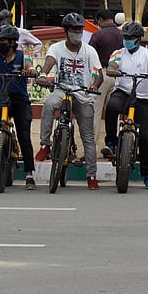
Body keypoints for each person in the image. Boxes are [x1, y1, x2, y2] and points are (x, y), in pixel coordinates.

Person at [36, 13, 103, 189]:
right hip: (62, 90)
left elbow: (98, 74)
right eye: (73, 30)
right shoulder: (56, 48)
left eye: (79, 30)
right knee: (49, 104)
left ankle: (91, 175)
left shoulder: (90, 51)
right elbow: (49, 62)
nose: (77, 33)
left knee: (88, 136)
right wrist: (43, 75)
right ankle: (45, 145)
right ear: (66, 31)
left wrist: (94, 85)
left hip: (83, 94)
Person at [103, 20, 148, 189]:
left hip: (143, 96)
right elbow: (112, 65)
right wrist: (112, 70)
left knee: (144, 136)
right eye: (125, 37)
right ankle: (111, 141)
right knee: (111, 107)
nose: (126, 40)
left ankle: (147, 175)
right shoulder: (118, 53)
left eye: (130, 37)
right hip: (122, 92)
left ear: (138, 39)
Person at [0, 24, 38, 190]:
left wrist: (31, 70)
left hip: (20, 99)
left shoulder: (22, 55)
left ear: (12, 42)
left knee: (24, 136)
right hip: (1, 97)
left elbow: (29, 64)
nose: (0, 43)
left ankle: (29, 174)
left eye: (3, 40)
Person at [89, 8, 123, 159]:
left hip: (101, 75)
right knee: (112, 113)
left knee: (94, 112)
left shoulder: (98, 34)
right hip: (119, 77)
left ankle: (92, 149)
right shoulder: (122, 34)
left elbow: (89, 56)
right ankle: (113, 145)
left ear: (100, 20)